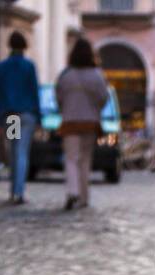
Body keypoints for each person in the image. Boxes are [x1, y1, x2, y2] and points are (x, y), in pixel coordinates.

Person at [55, 37, 110, 210]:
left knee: (71, 158)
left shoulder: (66, 76)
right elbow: (104, 98)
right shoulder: (97, 76)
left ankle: (72, 191)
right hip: (90, 122)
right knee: (85, 160)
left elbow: (59, 97)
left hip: (70, 122)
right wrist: (95, 109)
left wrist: (65, 109)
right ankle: (84, 197)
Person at [0, 32, 41, 205]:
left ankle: (13, 190)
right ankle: (19, 192)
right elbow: (34, 92)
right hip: (27, 114)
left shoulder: (2, 67)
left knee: (13, 153)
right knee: (22, 152)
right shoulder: (29, 66)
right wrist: (39, 118)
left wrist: (0, 119)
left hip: (11, 115)